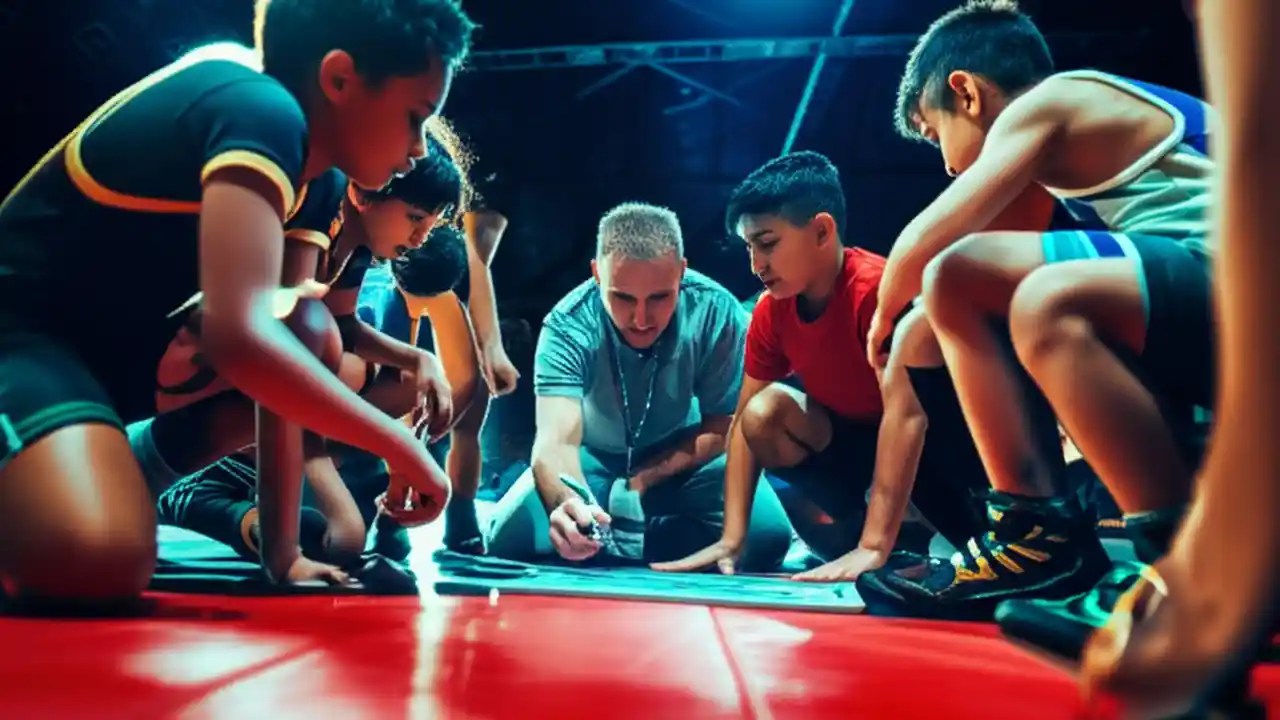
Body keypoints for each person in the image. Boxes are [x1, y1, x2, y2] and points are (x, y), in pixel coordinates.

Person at [0, 0, 475, 606]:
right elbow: (239, 338)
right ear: (338, 79)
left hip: (103, 366)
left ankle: (118, 470)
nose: (416, 149)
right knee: (96, 558)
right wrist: (396, 443)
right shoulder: (257, 107)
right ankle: (55, 487)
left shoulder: (321, 178)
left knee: (309, 328)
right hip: (22, 335)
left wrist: (283, 555)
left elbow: (286, 337)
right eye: (415, 118)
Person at [858, 0, 1215, 627]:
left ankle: (1045, 540)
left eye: (934, 133)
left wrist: (882, 314)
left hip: (1226, 274)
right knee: (960, 306)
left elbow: (944, 248)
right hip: (1205, 296)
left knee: (953, 276)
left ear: (965, 92)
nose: (943, 162)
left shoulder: (1050, 100)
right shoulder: (1066, 147)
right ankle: (1126, 551)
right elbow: (979, 287)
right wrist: (916, 323)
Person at [655, 151, 1040, 580]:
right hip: (860, 449)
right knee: (765, 415)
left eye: (767, 244)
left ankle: (892, 537)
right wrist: (732, 538)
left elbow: (908, 419)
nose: (756, 264)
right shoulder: (771, 310)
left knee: (1018, 568)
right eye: (749, 248)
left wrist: (875, 547)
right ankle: (865, 538)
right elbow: (745, 422)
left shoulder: (877, 291)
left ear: (821, 230)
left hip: (944, 449)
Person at [157, 129, 509, 561]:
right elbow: (291, 343)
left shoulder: (360, 242)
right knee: (314, 331)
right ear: (369, 191)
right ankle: (204, 477)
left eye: (430, 224)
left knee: (338, 533)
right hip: (205, 367)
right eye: (416, 218)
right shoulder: (324, 200)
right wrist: (397, 450)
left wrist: (421, 360)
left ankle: (219, 490)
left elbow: (345, 329)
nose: (420, 237)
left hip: (269, 377)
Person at [1081, 1, 1280, 716]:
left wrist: (1221, 559)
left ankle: (1040, 538)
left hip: (1207, 271)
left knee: (1022, 292)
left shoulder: (1053, 101)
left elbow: (1262, 146)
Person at [485, 202, 793, 568]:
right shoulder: (567, 325)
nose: (641, 319)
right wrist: (567, 502)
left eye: (660, 297)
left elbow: (723, 426)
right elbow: (555, 441)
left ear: (682, 272)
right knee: (506, 539)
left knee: (768, 539)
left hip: (688, 459)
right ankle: (627, 533)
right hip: (595, 460)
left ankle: (634, 536)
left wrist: (642, 480)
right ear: (597, 274)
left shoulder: (716, 311)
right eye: (623, 297)